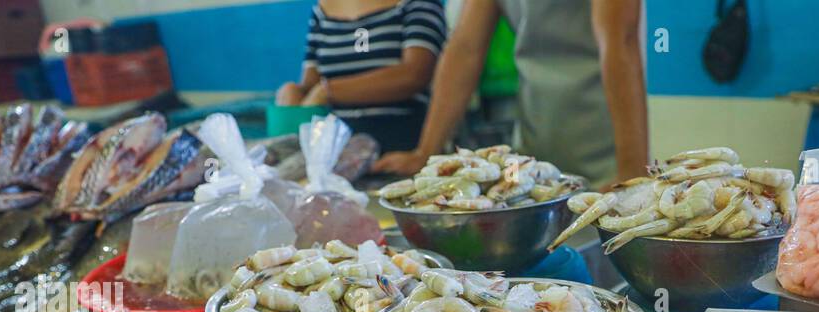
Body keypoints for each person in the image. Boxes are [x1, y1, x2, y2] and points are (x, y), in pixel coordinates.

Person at [374, 0, 648, 185]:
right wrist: (425, 153)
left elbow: (620, 42)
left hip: (606, 148)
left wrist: (632, 174)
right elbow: (465, 49)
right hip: (534, 144)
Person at [276, 0, 447, 153]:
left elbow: (414, 75)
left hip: (398, 152)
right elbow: (310, 85)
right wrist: (293, 94)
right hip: (335, 153)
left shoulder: (418, 4)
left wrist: (328, 91)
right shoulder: (322, 9)